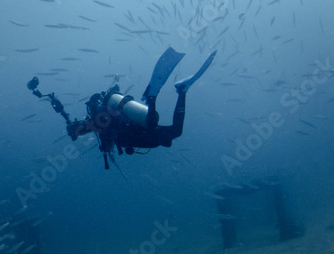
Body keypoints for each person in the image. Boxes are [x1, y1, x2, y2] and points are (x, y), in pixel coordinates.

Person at [29, 48, 216, 170]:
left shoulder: (96, 115)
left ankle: (156, 95)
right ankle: (181, 91)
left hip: (133, 133)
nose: (83, 133)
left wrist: (104, 135)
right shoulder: (96, 121)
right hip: (134, 134)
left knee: (161, 127)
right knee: (173, 133)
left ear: (81, 125)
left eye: (80, 131)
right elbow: (107, 130)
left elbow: (111, 121)